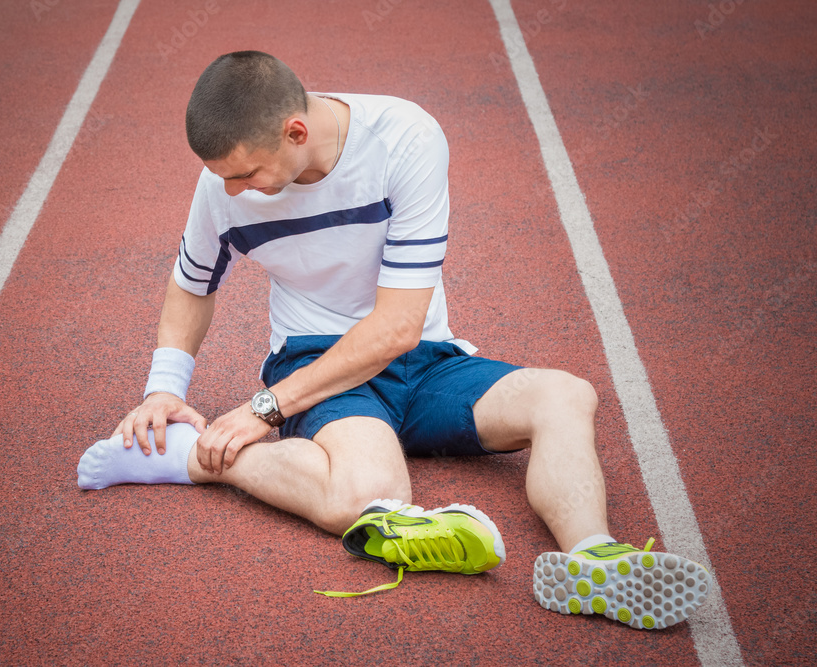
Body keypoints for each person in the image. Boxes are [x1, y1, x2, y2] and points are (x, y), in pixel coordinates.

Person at [77, 51, 711, 627]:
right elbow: (193, 282)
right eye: (225, 179)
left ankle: (591, 561)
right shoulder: (222, 185)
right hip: (314, 356)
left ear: (295, 132)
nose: (235, 191)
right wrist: (164, 389)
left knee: (565, 396)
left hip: (422, 358)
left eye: (247, 173)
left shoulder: (404, 138)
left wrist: (261, 409)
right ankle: (193, 456)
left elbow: (399, 327)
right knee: (367, 498)